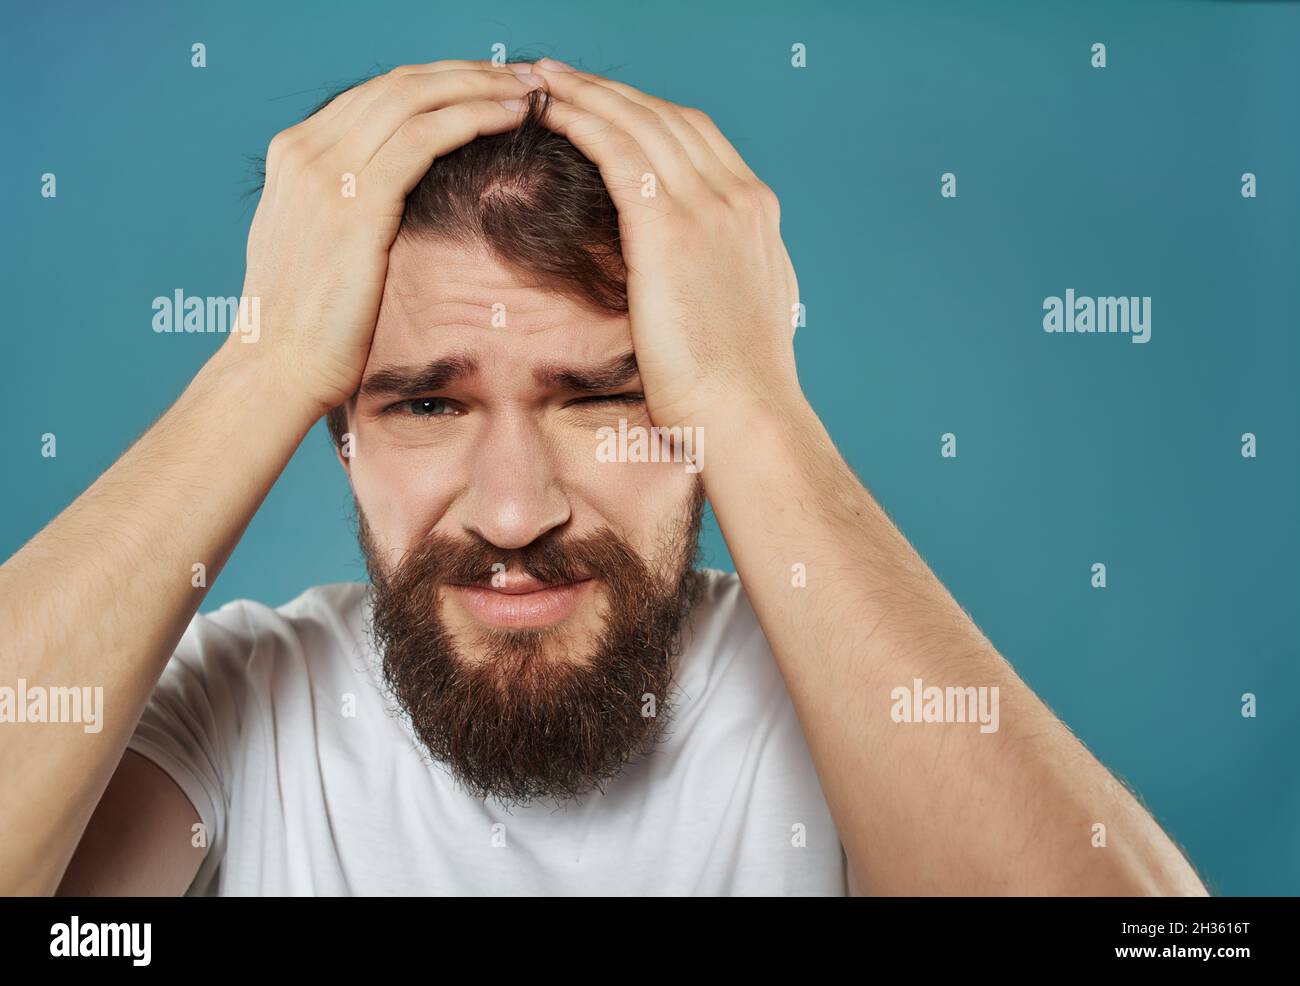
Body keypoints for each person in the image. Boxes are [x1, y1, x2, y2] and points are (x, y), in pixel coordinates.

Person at [0, 58, 1207, 896]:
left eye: (603, 400)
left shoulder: (843, 708)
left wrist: (753, 398)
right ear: (336, 426)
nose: (517, 511)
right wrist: (256, 371)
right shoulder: (236, 709)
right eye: (427, 401)